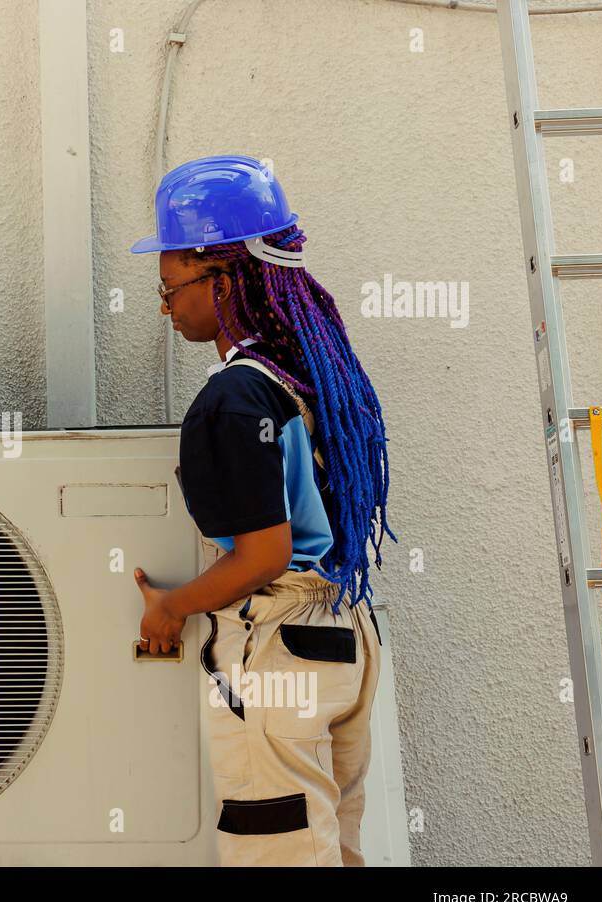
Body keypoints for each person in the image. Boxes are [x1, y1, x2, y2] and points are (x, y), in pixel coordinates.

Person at [129, 155, 395, 866]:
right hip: (343, 634)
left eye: (170, 283)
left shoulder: (234, 398)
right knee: (332, 850)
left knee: (278, 856)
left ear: (224, 275)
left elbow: (263, 555)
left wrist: (171, 607)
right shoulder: (309, 375)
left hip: (278, 647)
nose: (166, 305)